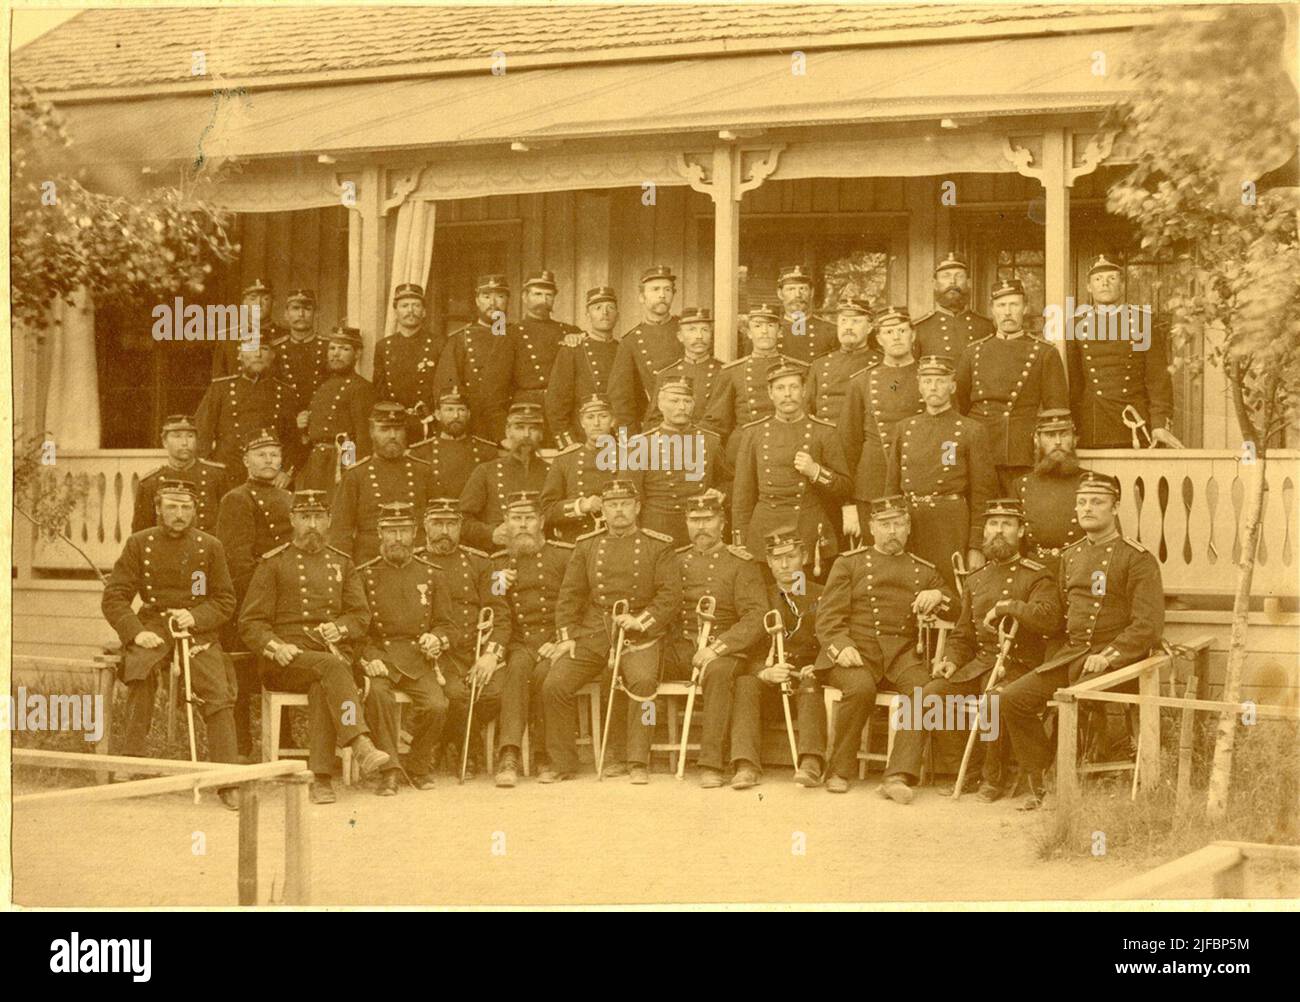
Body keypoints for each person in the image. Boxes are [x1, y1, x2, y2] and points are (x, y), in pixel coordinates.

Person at [998, 472, 1164, 810]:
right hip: (1072, 655)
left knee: (1076, 697)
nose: (1088, 508)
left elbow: (1148, 624)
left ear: (1115, 508)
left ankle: (1069, 784)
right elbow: (1058, 618)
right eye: (1083, 502)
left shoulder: (1137, 558)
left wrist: (1111, 655)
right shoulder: (1070, 556)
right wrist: (1011, 609)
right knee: (1013, 698)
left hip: (1120, 662)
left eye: (1098, 502)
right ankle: (1043, 778)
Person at [893, 498, 1060, 801]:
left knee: (993, 700)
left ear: (1021, 531)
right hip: (980, 663)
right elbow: (963, 634)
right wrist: (951, 661)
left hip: (1019, 663)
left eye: (1007, 524)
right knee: (931, 695)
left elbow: (1048, 620)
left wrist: (1008, 607)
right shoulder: (976, 578)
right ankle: (965, 770)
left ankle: (992, 779)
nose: (999, 531)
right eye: (993, 524)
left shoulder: (1038, 575)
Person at [239, 489, 389, 805]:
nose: (312, 525)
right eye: (305, 517)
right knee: (333, 668)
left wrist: (341, 627)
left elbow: (360, 615)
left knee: (324, 682)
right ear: (293, 520)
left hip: (326, 659)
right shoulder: (274, 563)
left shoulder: (342, 563)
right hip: (285, 661)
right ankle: (359, 742)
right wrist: (274, 646)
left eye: (318, 517)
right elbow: (250, 624)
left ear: (328, 520)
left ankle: (320, 779)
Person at [101, 479, 241, 808]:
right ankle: (130, 762)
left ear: (195, 510)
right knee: (141, 672)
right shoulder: (139, 543)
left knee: (217, 691)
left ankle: (227, 778)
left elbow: (224, 599)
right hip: (152, 624)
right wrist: (135, 632)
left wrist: (198, 617)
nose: (179, 514)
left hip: (196, 629)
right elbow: (115, 596)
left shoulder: (210, 546)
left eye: (185, 507)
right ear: (159, 509)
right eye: (172, 506)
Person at [814, 495, 956, 797]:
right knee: (861, 688)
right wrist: (840, 646)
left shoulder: (923, 569)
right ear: (872, 528)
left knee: (923, 692)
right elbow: (827, 618)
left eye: (899, 524)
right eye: (885, 524)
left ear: (908, 529)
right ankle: (838, 770)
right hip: (855, 652)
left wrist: (938, 596)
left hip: (901, 656)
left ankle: (897, 777)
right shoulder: (848, 563)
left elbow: (956, 609)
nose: (892, 531)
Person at [541, 480, 681, 784]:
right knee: (555, 683)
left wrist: (641, 621)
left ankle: (637, 761)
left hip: (639, 633)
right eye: (612, 505)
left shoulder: (658, 546)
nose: (619, 510)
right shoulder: (587, 545)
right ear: (602, 510)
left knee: (644, 683)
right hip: (594, 632)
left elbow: (669, 597)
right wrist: (567, 638)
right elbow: (570, 597)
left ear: (637, 507)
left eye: (625, 504)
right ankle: (563, 763)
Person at [660, 490, 767, 788]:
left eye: (708, 519)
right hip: (682, 646)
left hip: (723, 650)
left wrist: (717, 648)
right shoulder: (675, 560)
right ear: (686, 522)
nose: (701, 527)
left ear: (722, 522)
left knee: (717, 673)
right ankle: (632, 758)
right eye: (694, 520)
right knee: (636, 666)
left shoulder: (740, 563)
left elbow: (756, 615)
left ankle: (711, 764)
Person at [356, 502, 455, 795]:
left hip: (417, 657)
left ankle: (418, 764)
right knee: (378, 696)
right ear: (379, 534)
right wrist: (369, 657)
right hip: (380, 657)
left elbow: (446, 624)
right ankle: (389, 769)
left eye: (403, 531)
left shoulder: (432, 574)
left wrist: (436, 638)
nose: (397, 538)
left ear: (414, 534)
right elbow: (357, 629)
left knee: (438, 706)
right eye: (391, 531)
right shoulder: (364, 575)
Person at [418, 498, 511, 780]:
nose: (445, 531)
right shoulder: (415, 562)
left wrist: (490, 655)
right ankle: (465, 749)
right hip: (436, 653)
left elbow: (502, 616)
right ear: (424, 526)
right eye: (437, 524)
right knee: (457, 695)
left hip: (475, 649)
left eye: (451, 524)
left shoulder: (485, 564)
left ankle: (450, 740)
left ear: (460, 527)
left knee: (493, 693)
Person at [886, 355, 998, 590]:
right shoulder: (904, 429)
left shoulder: (971, 430)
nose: (933, 387)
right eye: (927, 381)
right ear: (919, 386)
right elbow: (892, 489)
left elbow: (982, 493)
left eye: (940, 380)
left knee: (951, 590)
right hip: (912, 523)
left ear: (952, 386)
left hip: (950, 525)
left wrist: (976, 545)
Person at [214, 428, 293, 758]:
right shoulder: (236, 499)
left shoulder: (290, 499)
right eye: (261, 454)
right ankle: (241, 749)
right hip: (247, 603)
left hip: (285, 603)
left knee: (284, 669)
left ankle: (284, 745)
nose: (269, 460)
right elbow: (237, 560)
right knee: (242, 679)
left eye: (274, 454)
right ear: (246, 461)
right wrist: (263, 599)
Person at [731, 362, 851, 578]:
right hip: (764, 530)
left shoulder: (823, 432)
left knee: (806, 594)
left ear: (804, 391)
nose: (788, 394)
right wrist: (740, 541)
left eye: (794, 387)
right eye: (780, 388)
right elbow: (742, 495)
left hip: (807, 529)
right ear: (770, 393)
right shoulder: (753, 434)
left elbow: (845, 487)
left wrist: (816, 471)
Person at [730, 528, 828, 789]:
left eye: (792, 557)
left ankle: (810, 761)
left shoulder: (822, 595)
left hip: (807, 680)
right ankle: (746, 764)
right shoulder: (760, 596)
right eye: (777, 559)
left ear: (804, 557)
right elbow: (748, 648)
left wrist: (818, 666)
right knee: (746, 684)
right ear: (769, 562)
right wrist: (764, 671)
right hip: (771, 683)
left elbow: (834, 636)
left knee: (810, 685)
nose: (785, 565)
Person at [489, 492, 573, 785]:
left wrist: (562, 639)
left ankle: (544, 754)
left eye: (529, 519)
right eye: (516, 519)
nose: (523, 525)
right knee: (517, 669)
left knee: (543, 675)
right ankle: (509, 754)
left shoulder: (564, 555)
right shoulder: (498, 563)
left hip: (556, 640)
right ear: (506, 523)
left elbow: (575, 603)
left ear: (541, 521)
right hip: (521, 643)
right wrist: (498, 584)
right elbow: (497, 613)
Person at [956, 278, 1069, 493]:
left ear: (1025, 308)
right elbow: (957, 409)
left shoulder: (1045, 352)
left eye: (1014, 305)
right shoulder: (973, 352)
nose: (1007, 312)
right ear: (992, 310)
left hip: (1021, 450)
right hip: (980, 448)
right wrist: (951, 458)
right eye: (1001, 305)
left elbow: (1057, 410)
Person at [1067, 255, 1181, 449]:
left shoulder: (1142, 321)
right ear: (1089, 287)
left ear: (1122, 284)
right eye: (1098, 279)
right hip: (1093, 423)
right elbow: (1075, 384)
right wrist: (1074, 426)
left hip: (1135, 420)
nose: (1104, 283)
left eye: (1111, 278)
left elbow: (1157, 379)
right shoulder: (1076, 325)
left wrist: (1160, 423)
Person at [840, 306, 924, 537]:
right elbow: (849, 445)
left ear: (913, 334)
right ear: (878, 338)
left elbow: (949, 435)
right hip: (872, 485)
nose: (896, 337)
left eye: (901, 330)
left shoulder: (931, 378)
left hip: (920, 481)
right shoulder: (861, 382)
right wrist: (848, 504)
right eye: (888, 332)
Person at [625, 376, 728, 547]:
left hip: (699, 529)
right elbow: (631, 496)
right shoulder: (641, 444)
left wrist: (719, 492)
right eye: (674, 401)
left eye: (687, 401)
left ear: (693, 405)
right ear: (660, 404)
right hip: (656, 530)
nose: (682, 407)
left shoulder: (710, 441)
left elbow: (728, 481)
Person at [329, 401, 434, 565]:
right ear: (372, 432)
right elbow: (340, 533)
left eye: (398, 429)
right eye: (384, 429)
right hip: (370, 565)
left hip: (418, 562)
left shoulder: (423, 471)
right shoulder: (356, 475)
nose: (392, 435)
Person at [704, 303, 809, 465]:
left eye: (770, 325)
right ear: (749, 333)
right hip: (745, 447)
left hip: (789, 443)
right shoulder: (732, 372)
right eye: (758, 326)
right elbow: (717, 423)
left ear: (780, 332)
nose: (764, 331)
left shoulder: (800, 369)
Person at [195, 340, 296, 490]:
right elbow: (202, 433)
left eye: (264, 348)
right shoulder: (220, 389)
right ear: (240, 355)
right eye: (251, 348)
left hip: (271, 475)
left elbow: (293, 440)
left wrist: (286, 472)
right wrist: (208, 470)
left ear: (272, 355)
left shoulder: (285, 392)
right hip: (227, 472)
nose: (258, 354)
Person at [435, 273, 518, 442]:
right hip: (474, 423)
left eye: (500, 297)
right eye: (486, 296)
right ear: (477, 301)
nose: (493, 303)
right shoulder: (461, 339)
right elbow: (448, 384)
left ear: (508, 301)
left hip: (512, 420)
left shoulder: (517, 336)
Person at [295, 327, 377, 496]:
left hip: (346, 456)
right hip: (317, 461)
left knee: (340, 504)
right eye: (332, 348)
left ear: (357, 354)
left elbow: (364, 437)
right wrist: (302, 425)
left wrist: (356, 472)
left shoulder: (361, 388)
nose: (336, 354)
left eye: (344, 349)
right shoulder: (323, 386)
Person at [458, 402, 550, 552]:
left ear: (541, 434)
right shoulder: (486, 471)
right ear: (508, 432)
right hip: (497, 556)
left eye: (532, 428)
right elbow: (461, 519)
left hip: (541, 558)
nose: (526, 435)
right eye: (519, 428)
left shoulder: (551, 472)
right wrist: (490, 533)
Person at [1011, 408, 1090, 574]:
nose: (1058, 442)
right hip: (1035, 573)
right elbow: (1016, 545)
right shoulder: (1022, 485)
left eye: (1064, 434)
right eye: (1050, 435)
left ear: (1075, 440)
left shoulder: (1091, 482)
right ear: (1037, 440)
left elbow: (1108, 542)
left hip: (1081, 570)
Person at [512, 269, 583, 445]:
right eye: (537, 294)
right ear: (524, 297)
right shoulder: (511, 332)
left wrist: (580, 339)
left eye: (548, 295)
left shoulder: (570, 331)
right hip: (529, 411)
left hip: (564, 411)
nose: (543, 300)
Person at [607, 265, 681, 431]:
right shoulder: (631, 340)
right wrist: (630, 439)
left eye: (667, 290)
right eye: (655, 289)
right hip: (656, 427)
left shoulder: (688, 331)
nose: (662, 295)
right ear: (642, 297)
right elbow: (621, 396)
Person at [539, 393, 619, 543]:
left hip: (618, 540)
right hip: (578, 541)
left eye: (603, 416)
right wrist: (580, 506)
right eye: (590, 417)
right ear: (582, 422)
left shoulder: (630, 457)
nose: (596, 423)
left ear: (613, 421)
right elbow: (546, 510)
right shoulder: (565, 459)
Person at [545, 286, 620, 446]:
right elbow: (556, 402)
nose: (604, 313)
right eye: (597, 308)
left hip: (619, 437)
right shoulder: (573, 349)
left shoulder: (624, 349)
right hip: (582, 438)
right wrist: (569, 443)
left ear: (617, 315)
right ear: (588, 314)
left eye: (610, 308)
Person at [133, 414, 228, 533]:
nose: (185, 442)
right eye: (177, 436)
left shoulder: (216, 476)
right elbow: (140, 533)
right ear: (164, 442)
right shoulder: (150, 482)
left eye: (190, 436)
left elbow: (229, 524)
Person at [372, 283, 446, 436]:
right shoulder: (383, 346)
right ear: (396, 311)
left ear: (424, 312)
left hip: (428, 422)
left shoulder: (439, 344)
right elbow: (379, 390)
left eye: (416, 306)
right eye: (404, 306)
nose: (410, 311)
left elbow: (444, 386)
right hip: (395, 423)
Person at [272, 288, 332, 477]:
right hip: (287, 431)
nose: (301, 314)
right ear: (286, 314)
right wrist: (293, 421)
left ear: (316, 313)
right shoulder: (276, 350)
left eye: (307, 309)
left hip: (321, 428)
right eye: (295, 308)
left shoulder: (328, 348)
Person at [406, 386, 501, 499]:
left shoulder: (487, 451)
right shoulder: (421, 453)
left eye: (461, 410)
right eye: (449, 410)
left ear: (469, 414)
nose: (456, 416)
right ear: (437, 414)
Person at [642, 307, 723, 429]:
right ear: (680, 336)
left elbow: (726, 420)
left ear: (711, 335)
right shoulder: (666, 374)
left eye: (705, 330)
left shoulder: (725, 372)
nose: (699, 336)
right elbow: (654, 420)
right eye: (692, 330)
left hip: (711, 442)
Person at [806, 297, 879, 424]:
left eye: (855, 321)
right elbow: (807, 408)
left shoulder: (881, 362)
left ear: (869, 327)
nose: (848, 327)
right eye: (844, 321)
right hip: (825, 435)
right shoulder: (820, 364)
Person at [913, 253, 994, 359]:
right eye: (946, 276)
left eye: (959, 276)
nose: (952, 282)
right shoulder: (919, 329)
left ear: (968, 283)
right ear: (934, 284)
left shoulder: (986, 326)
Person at [212, 279, 284, 379]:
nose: (258, 304)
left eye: (265, 299)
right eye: (253, 298)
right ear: (244, 303)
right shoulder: (228, 338)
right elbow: (218, 383)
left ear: (274, 302)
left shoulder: (285, 336)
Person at [774, 264, 839, 362]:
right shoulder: (769, 330)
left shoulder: (831, 331)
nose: (797, 295)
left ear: (812, 292)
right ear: (780, 294)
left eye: (802, 289)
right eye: (791, 289)